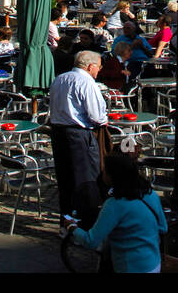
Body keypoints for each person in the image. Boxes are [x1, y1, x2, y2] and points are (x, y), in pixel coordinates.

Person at [69, 153, 167, 273]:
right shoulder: (151, 195)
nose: (103, 172)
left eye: (105, 170)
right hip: (154, 263)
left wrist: (71, 227)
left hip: (130, 267)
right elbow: (163, 228)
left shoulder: (114, 204)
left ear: (112, 176)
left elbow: (91, 241)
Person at [49, 50, 109, 231]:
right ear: (91, 66)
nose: (98, 71)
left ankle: (66, 221)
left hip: (59, 132)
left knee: (65, 179)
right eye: (98, 67)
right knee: (86, 180)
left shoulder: (59, 78)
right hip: (78, 134)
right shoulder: (86, 82)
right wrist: (104, 120)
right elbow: (96, 115)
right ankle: (85, 224)